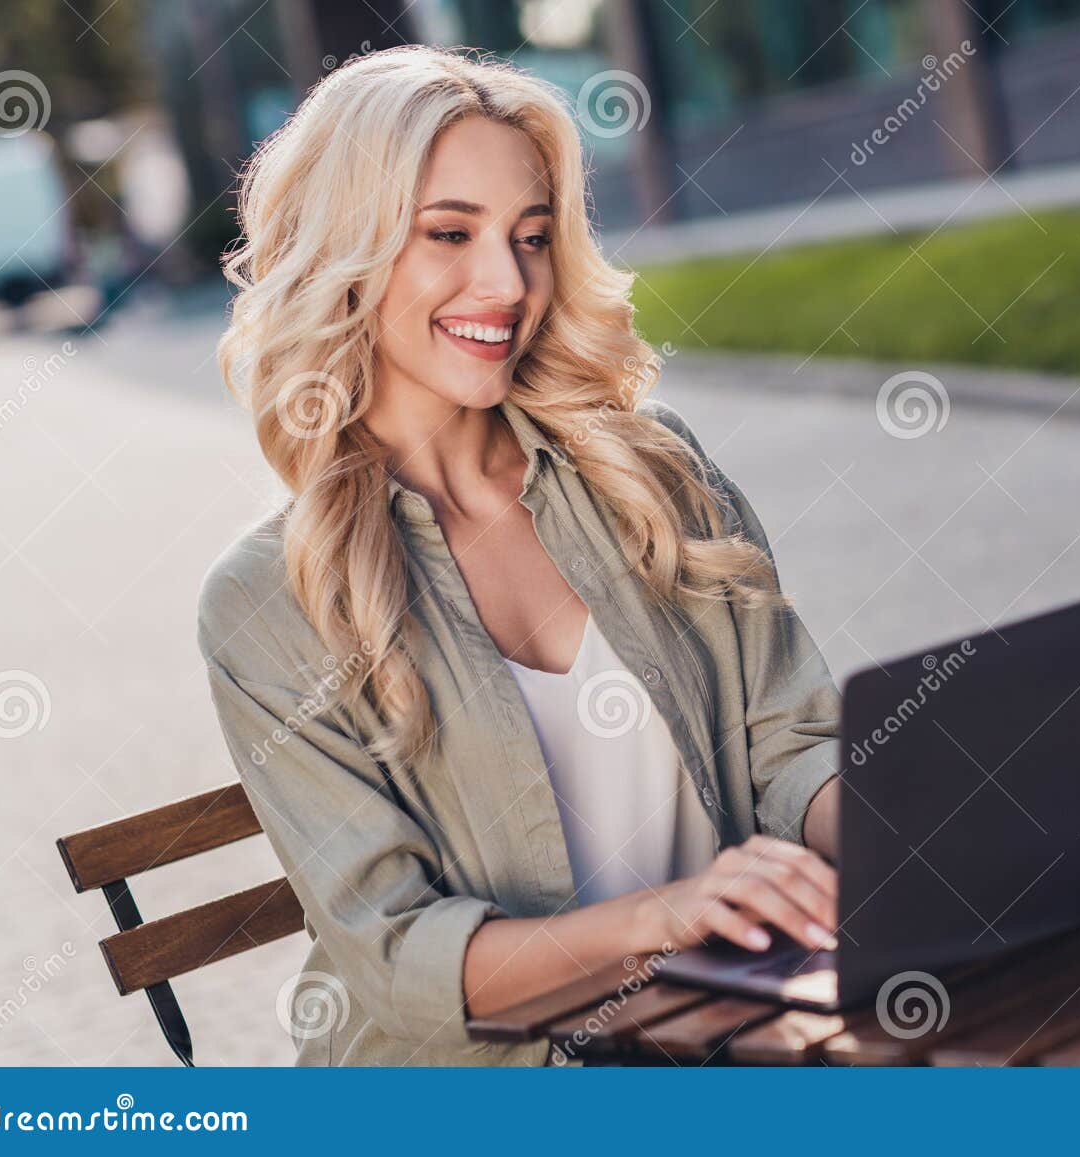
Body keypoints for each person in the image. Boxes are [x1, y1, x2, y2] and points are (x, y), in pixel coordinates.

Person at [196, 45, 842, 1067]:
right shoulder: (269, 598)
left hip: (713, 1040)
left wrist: (921, 824)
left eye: (532, 236)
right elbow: (399, 953)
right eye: (450, 233)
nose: (506, 282)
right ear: (342, 253)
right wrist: (664, 916)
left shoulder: (648, 472)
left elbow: (788, 737)